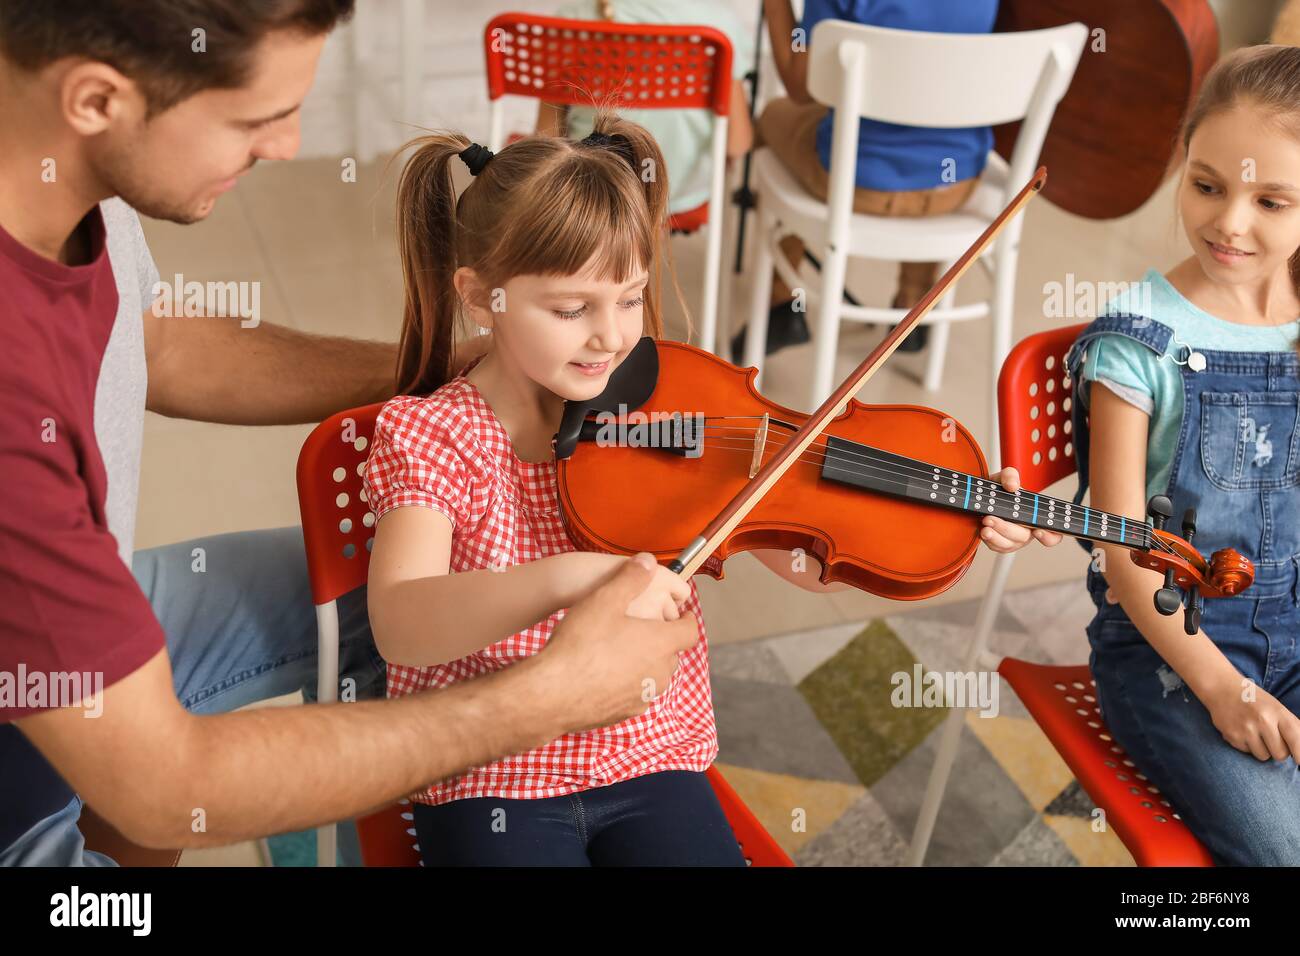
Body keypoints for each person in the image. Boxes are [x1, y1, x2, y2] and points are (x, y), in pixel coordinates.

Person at [0, 0, 697, 867]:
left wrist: (451, 366)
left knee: (371, 577)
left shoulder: (64, 174)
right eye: (257, 118)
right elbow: (175, 785)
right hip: (20, 747)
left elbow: (160, 341)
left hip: (72, 608)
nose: (288, 146)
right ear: (97, 99)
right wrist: (542, 698)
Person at [363, 111, 1059, 866]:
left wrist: (954, 508)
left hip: (647, 751)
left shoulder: (675, 406)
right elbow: (403, 622)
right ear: (479, 297)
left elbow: (801, 554)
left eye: (629, 298)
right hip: (487, 769)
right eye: (572, 309)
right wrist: (571, 578)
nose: (612, 336)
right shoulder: (432, 435)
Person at [1066, 44, 1300, 864]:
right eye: (1208, 185)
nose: (1230, 222)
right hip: (1174, 652)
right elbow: (1124, 545)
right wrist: (1220, 687)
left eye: (1272, 201)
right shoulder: (1137, 344)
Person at [731, 0, 998, 361]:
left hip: (859, 182)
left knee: (774, 115)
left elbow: (800, 84)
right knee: (927, 135)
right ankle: (913, 307)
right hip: (957, 183)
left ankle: (781, 305)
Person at [536, 0, 754, 217]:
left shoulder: (568, 19)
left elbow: (546, 137)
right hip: (678, 192)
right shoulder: (718, 24)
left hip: (589, 185)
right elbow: (737, 143)